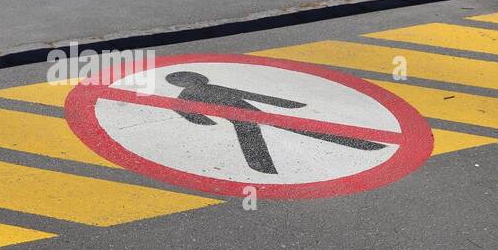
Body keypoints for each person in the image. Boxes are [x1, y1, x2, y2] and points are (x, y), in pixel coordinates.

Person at [164, 71, 384, 175]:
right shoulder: (189, 93)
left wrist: (286, 103)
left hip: (252, 113)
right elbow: (183, 109)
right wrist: (203, 121)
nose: (195, 81)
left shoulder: (190, 93)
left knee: (292, 128)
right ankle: (261, 167)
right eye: (189, 79)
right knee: (257, 136)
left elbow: (247, 94)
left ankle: (360, 143)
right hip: (243, 117)